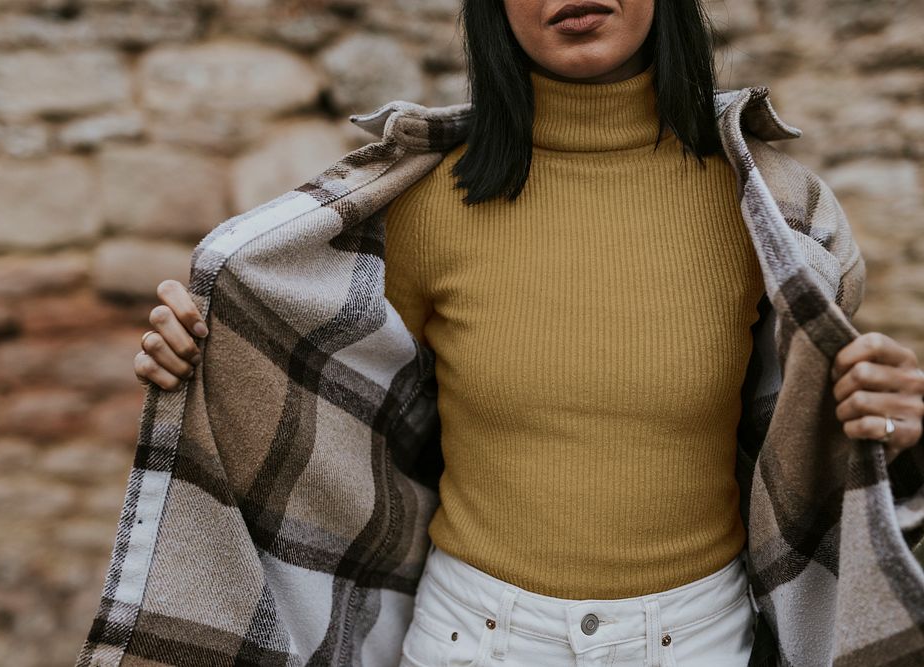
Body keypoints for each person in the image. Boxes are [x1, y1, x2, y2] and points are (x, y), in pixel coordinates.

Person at [131, 1, 924, 664]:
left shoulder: (776, 215)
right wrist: (202, 353)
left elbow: (817, 449)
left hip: (700, 640)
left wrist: (895, 427)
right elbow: (319, 396)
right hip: (471, 638)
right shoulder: (424, 202)